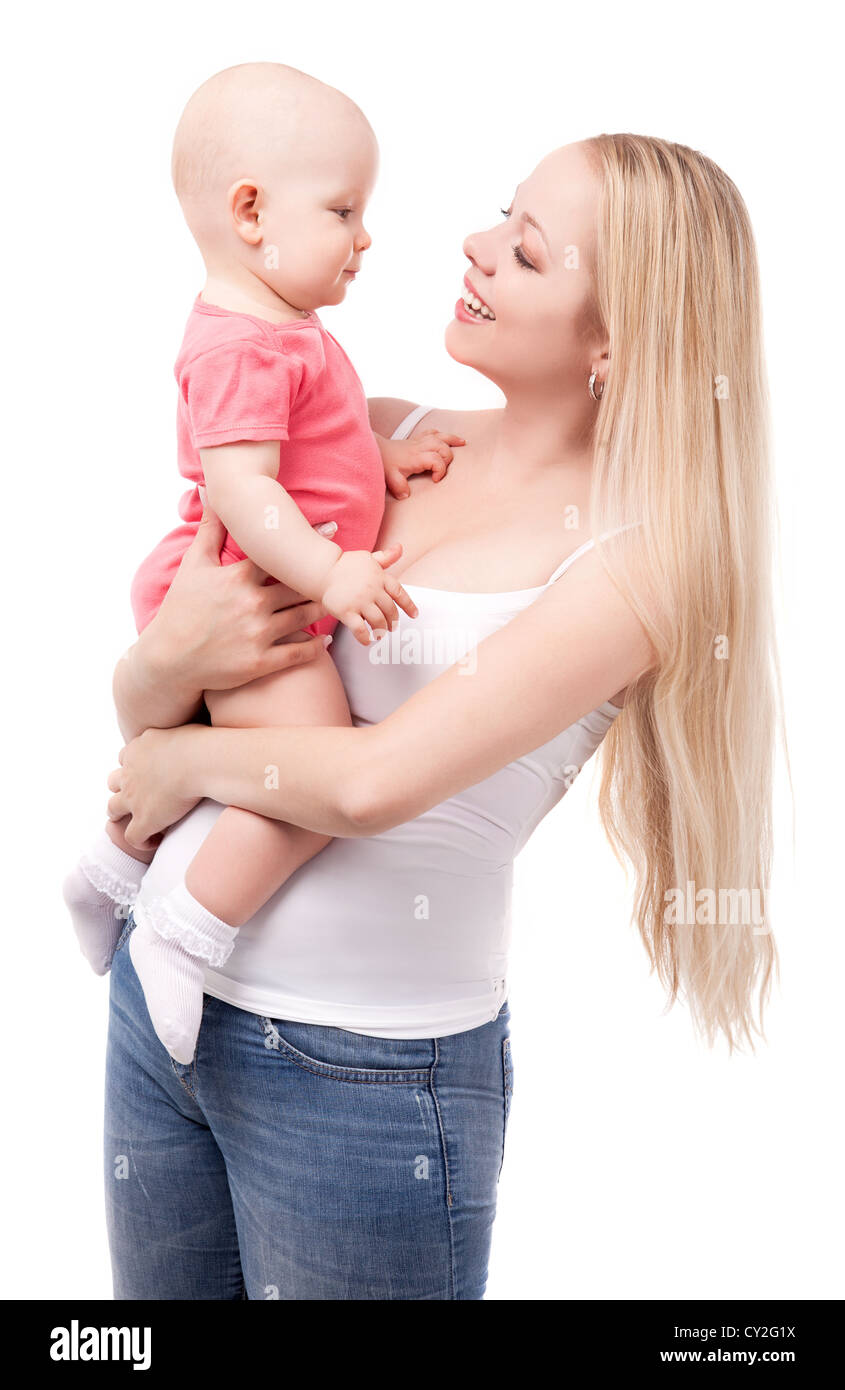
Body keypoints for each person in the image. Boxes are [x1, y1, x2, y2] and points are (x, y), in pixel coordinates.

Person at [103, 134, 780, 1300]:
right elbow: (159, 671)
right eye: (496, 214)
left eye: (523, 248)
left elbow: (374, 785)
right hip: (164, 1012)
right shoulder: (385, 432)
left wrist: (176, 759)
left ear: (614, 341)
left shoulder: (634, 567)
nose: (472, 247)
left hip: (366, 1075)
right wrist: (152, 694)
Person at [62, 62, 462, 1064]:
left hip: (259, 590)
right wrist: (332, 574)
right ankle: (181, 933)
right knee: (308, 776)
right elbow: (244, 490)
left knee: (249, 767)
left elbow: (310, 448)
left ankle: (110, 867)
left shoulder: (283, 327)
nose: (363, 236)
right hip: (254, 599)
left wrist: (381, 456)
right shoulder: (239, 343)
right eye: (342, 209)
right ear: (250, 212)